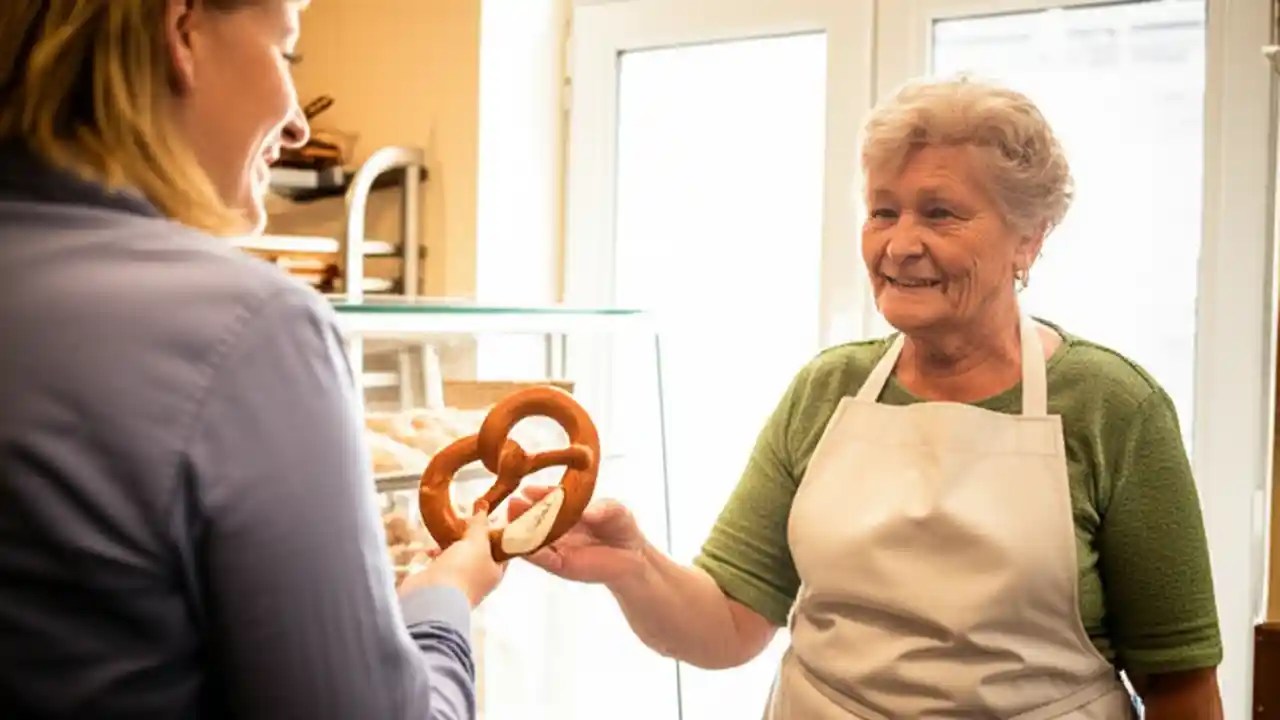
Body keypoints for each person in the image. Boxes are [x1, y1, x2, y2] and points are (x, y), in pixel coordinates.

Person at [509, 76, 1224, 718]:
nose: (900, 244)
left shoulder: (1114, 407)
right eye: (884, 211)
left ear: (1028, 240)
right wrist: (632, 566)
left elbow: (1182, 687)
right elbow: (728, 625)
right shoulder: (828, 390)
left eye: (940, 214)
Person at [0, 1, 503, 717]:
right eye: (287, 54)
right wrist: (441, 606)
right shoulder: (250, 327)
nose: (299, 122)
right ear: (182, 31)